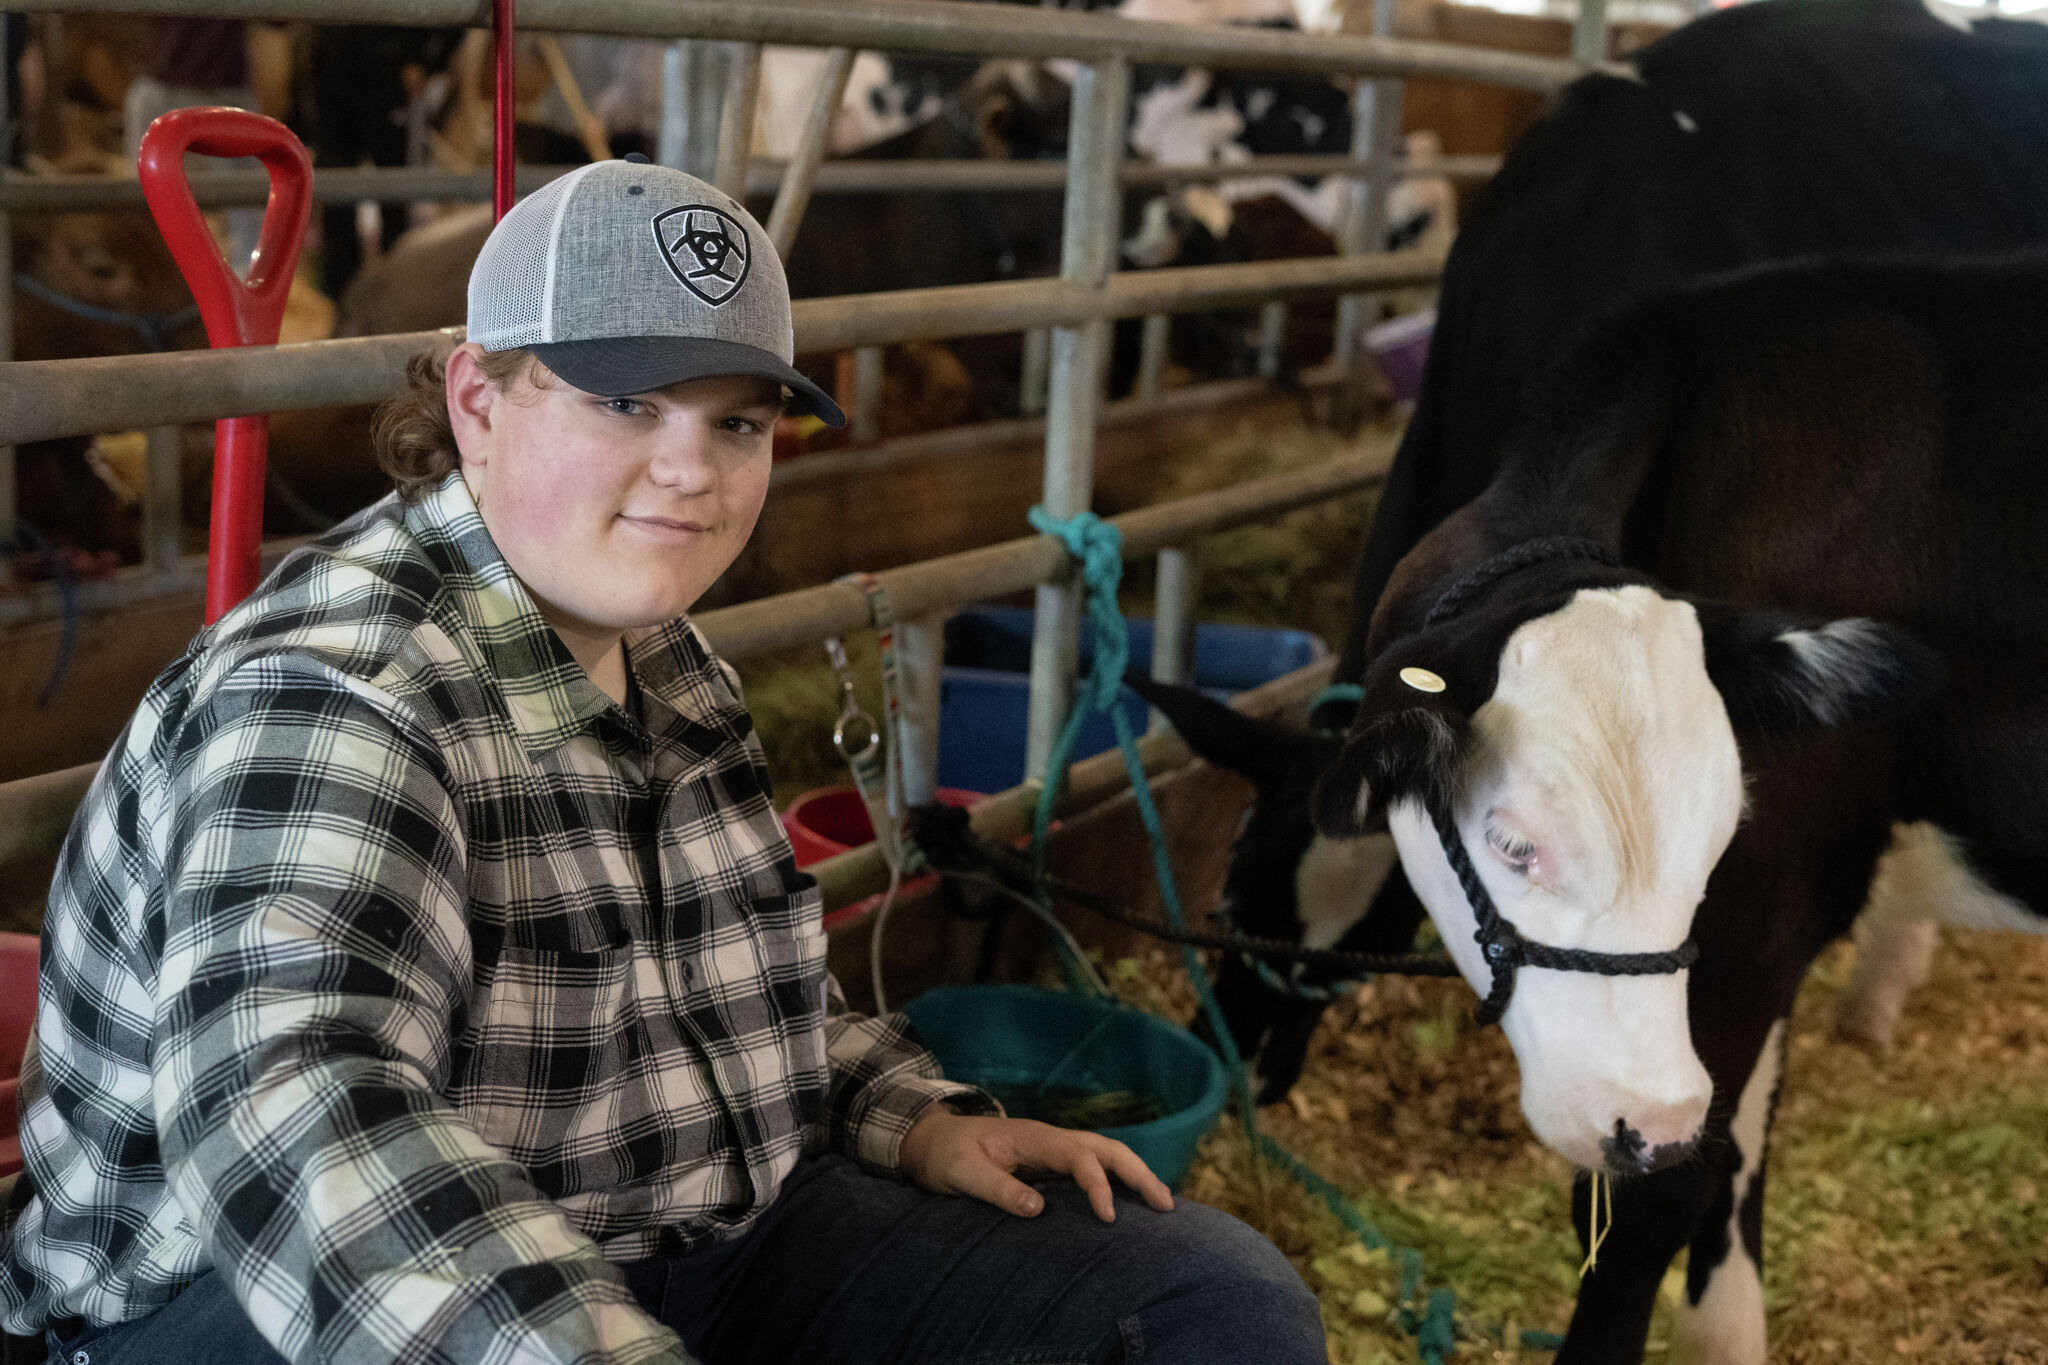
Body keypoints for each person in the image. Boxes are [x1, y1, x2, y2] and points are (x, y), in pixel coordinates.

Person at [0, 157, 1327, 1365]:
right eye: (625, 398)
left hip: (659, 1244)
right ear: (478, 398)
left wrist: (911, 1116)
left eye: (739, 421)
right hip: (259, 1310)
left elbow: (731, 1017)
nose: (689, 468)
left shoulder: (672, 661)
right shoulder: (335, 695)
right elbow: (304, 1132)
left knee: (1207, 1303)